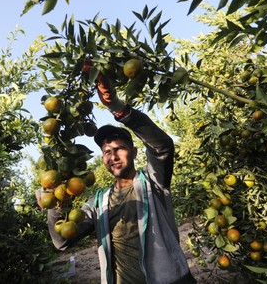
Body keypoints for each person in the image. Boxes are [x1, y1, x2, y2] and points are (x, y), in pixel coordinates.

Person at [36, 73, 196, 284]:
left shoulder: (153, 182)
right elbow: (62, 241)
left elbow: (162, 146)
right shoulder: (98, 202)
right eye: (107, 151)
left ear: (134, 152)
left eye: (119, 148)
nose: (113, 156)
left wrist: (119, 107)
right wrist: (55, 204)